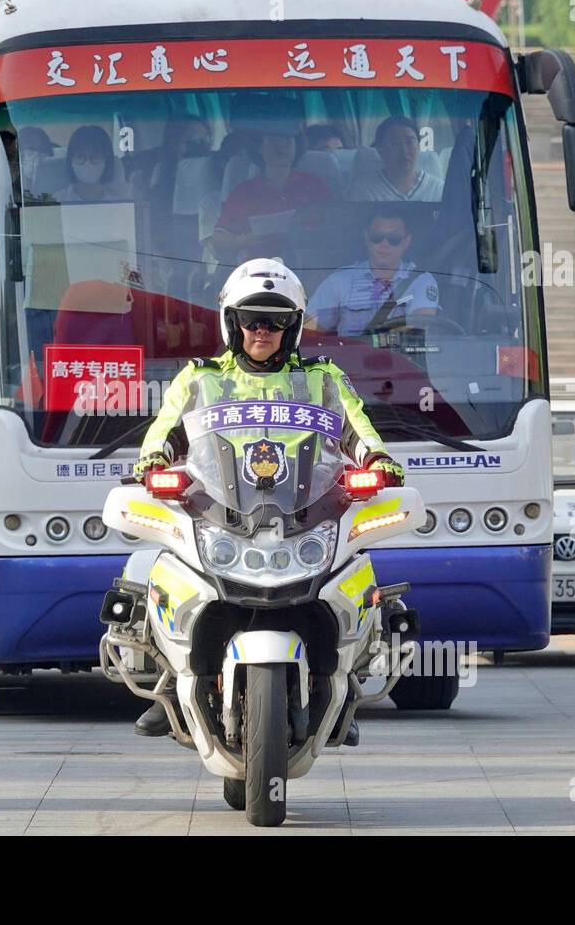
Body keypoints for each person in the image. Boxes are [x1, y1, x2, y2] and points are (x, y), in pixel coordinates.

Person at [131, 258, 405, 739]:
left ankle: (342, 682)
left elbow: (354, 426)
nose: (263, 331)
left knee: (356, 575)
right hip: (220, 509)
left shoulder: (321, 379)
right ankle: (173, 679)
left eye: (276, 321)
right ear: (232, 323)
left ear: (293, 326)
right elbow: (167, 430)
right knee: (163, 569)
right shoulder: (200, 378)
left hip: (304, 511)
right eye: (252, 319)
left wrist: (377, 460)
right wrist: (153, 460)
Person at [208, 125, 332, 263]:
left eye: (288, 140)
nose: (281, 146)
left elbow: (335, 230)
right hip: (257, 273)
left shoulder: (314, 186)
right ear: (259, 147)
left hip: (309, 267)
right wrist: (243, 241)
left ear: (297, 146)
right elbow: (218, 241)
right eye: (273, 140)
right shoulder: (243, 193)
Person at [306, 209, 440, 336]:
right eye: (377, 236)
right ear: (366, 238)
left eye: (393, 238)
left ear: (406, 241)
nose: (384, 243)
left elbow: (419, 327)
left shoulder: (420, 281)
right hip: (348, 358)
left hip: (399, 358)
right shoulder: (340, 280)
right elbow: (309, 328)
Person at [346, 116, 443, 202]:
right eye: (395, 143)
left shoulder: (438, 189)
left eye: (410, 142)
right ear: (380, 150)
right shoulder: (364, 189)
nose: (404, 150)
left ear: (419, 146)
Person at [53, 124, 130, 203]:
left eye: (95, 156)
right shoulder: (55, 202)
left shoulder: (119, 202)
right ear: (70, 161)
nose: (87, 163)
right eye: (80, 156)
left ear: (107, 161)